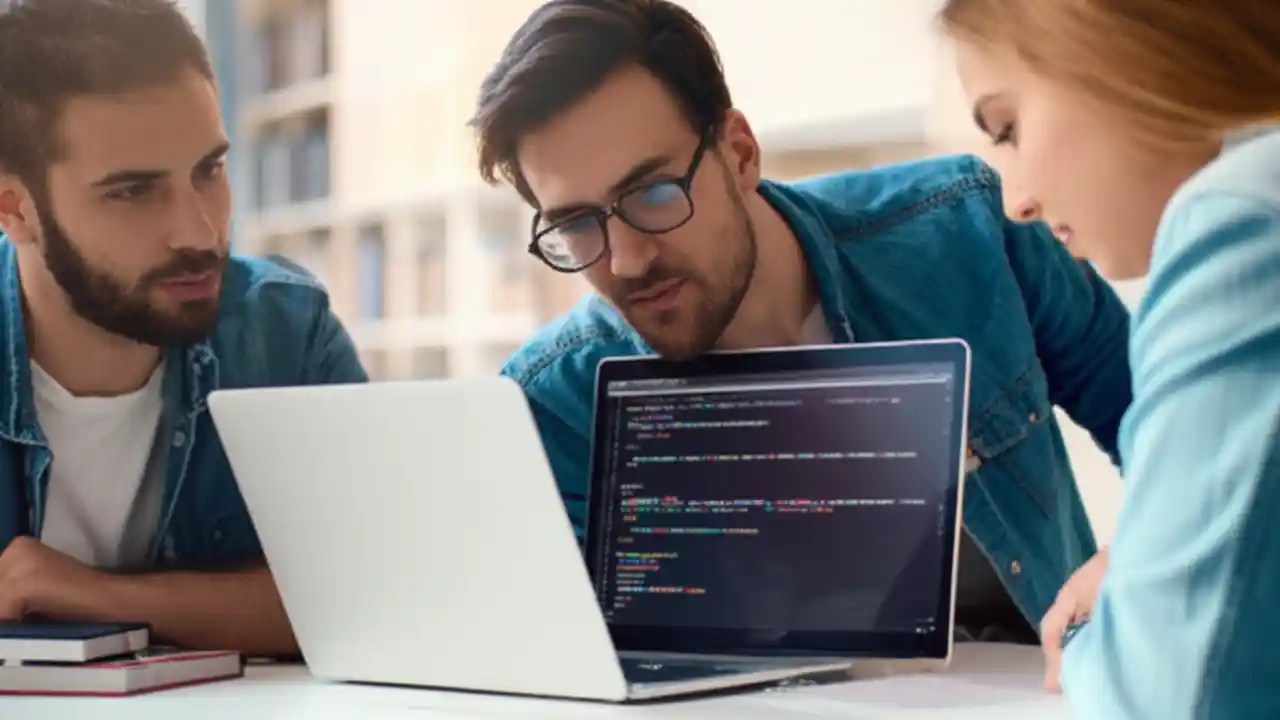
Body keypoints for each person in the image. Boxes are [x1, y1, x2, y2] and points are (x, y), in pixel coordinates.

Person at [471, 0, 1134, 647]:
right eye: (578, 223)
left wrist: (1138, 560)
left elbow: (1179, 423)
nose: (627, 258)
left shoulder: (967, 234)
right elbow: (553, 660)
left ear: (739, 153)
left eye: (652, 194)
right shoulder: (551, 406)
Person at [940, 1, 1280, 717]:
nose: (1021, 201)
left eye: (1010, 127)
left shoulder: (1242, 224)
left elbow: (1163, 694)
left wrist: (1109, 624)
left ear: (1112, 41)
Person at [0, 0, 366, 655]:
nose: (199, 231)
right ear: (15, 209)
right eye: (131, 192)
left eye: (210, 171)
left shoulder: (286, 333)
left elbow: (381, 595)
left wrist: (96, 596)